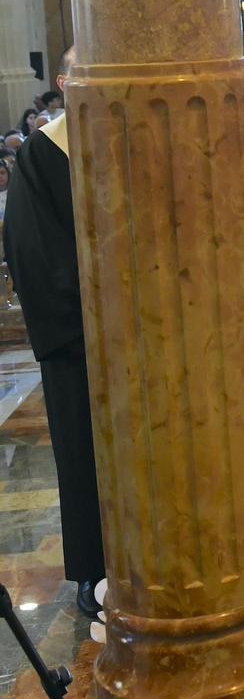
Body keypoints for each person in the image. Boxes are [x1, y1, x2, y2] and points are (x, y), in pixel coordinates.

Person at [2, 49, 105, 615]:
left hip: (155, 336)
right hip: (81, 338)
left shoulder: (141, 139)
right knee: (86, 453)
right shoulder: (45, 152)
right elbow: (33, 249)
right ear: (65, 83)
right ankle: (95, 569)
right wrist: (92, 316)